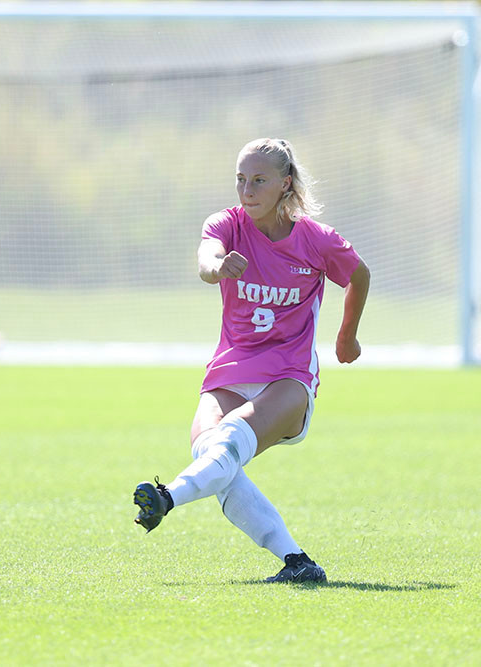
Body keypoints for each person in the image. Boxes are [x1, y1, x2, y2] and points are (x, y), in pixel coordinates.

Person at [133, 138, 370, 583]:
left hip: (288, 377)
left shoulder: (316, 240)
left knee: (223, 449)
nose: (247, 189)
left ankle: (167, 498)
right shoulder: (227, 223)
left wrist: (347, 336)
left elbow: (358, 273)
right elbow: (206, 258)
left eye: (259, 180)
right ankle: (297, 562)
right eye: (241, 179)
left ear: (285, 184)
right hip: (230, 370)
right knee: (210, 453)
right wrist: (217, 267)